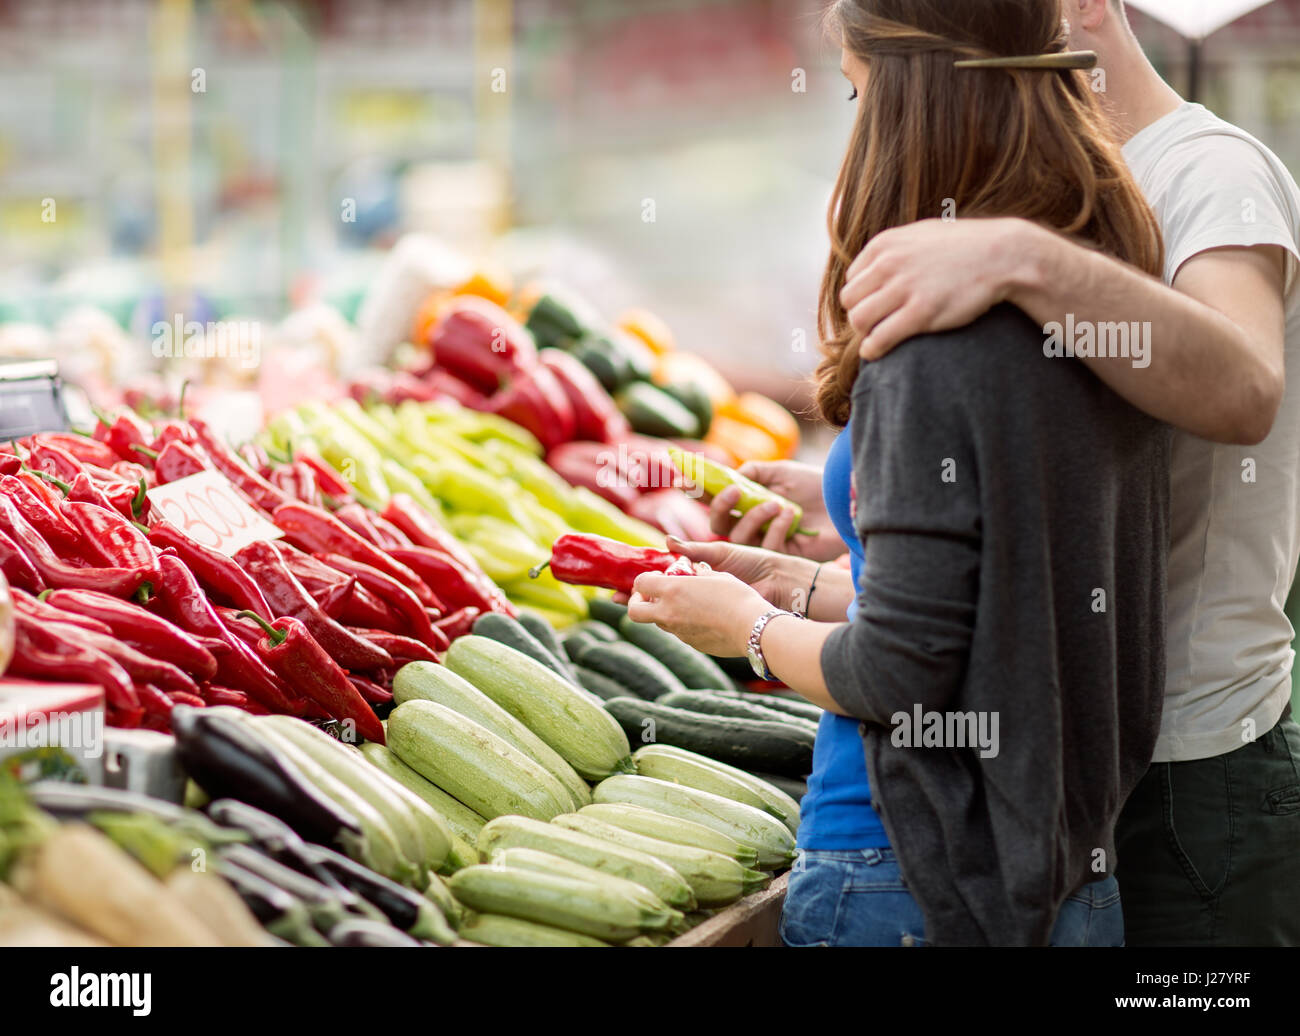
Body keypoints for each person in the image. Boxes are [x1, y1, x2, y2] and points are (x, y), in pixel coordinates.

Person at [722, 0, 1300, 947]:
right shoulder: (1072, 202)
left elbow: (1242, 388)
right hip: (1078, 766)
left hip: (1187, 769)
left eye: (858, 95)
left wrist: (1027, 257)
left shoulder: (1209, 176)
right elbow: (1029, 531)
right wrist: (858, 530)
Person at [627, 0, 1170, 946]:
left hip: (906, 874)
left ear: (908, 101)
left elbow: (898, 677)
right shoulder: (1106, 313)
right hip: (1066, 869)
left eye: (852, 88)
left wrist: (744, 629)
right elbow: (1004, 610)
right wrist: (809, 586)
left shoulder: (936, 347)